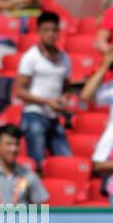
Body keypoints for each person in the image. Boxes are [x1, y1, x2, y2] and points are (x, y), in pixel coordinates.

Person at [16, 11, 75, 170]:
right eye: (46, 30)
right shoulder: (31, 57)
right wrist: (47, 101)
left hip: (53, 117)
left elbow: (65, 88)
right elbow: (19, 91)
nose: (51, 34)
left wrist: (64, 99)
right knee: (37, 165)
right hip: (34, 114)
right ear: (39, 32)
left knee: (67, 163)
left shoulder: (64, 59)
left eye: (54, 30)